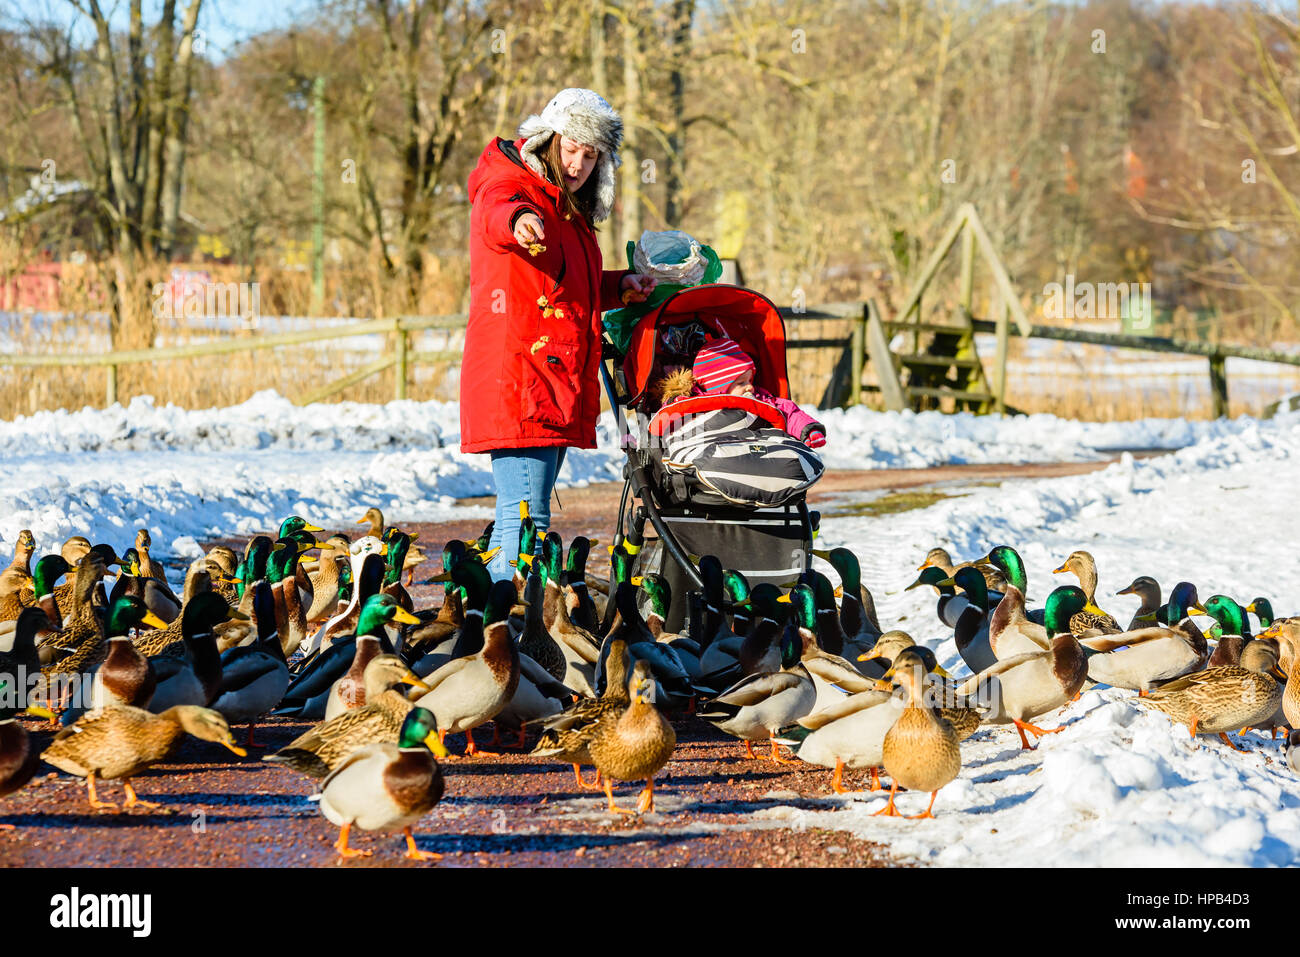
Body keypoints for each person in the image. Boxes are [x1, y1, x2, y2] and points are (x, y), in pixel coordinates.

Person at [461, 89, 656, 580]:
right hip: (523, 377)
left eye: (591, 156)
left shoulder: (568, 208)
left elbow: (568, 286)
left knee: (520, 519)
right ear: (549, 138)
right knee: (527, 521)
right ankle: (510, 640)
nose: (578, 164)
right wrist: (519, 220)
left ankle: (501, 631)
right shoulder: (513, 184)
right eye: (571, 148)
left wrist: (619, 286)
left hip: (551, 378)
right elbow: (496, 211)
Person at [678, 337, 827, 448]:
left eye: (750, 381)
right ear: (718, 388)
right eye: (741, 383)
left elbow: (788, 412)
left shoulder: (760, 399)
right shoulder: (695, 403)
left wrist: (809, 430)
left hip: (753, 453)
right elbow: (670, 421)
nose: (750, 387)